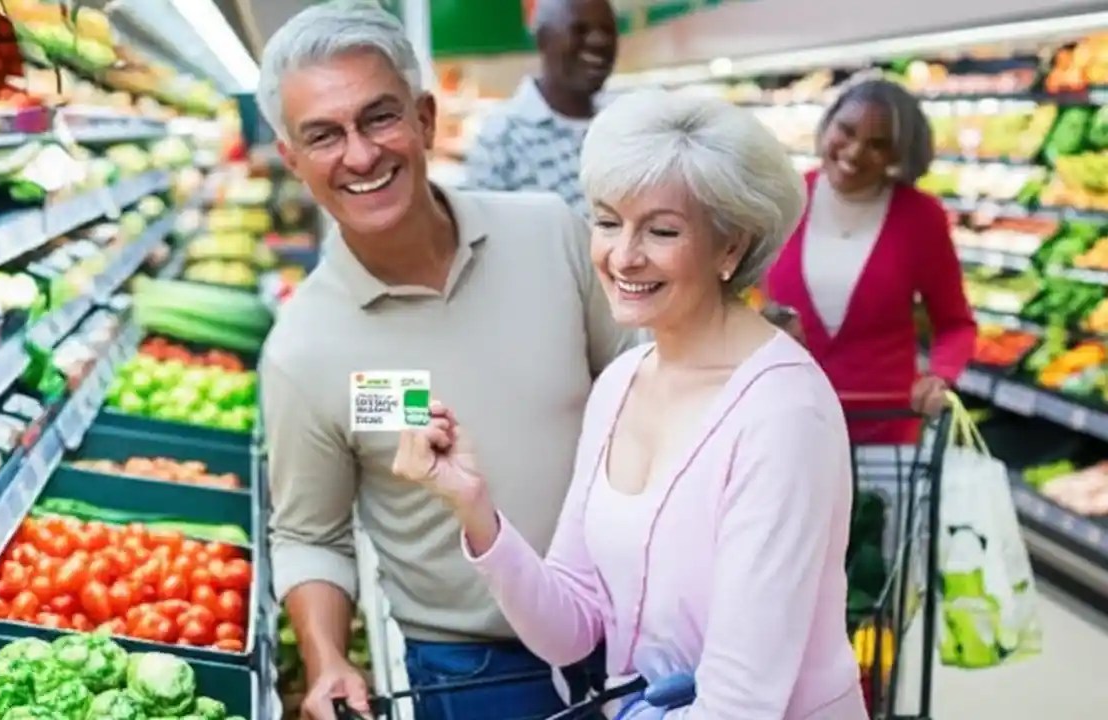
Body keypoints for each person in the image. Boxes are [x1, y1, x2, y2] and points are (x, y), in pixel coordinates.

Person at [393, 90, 867, 719]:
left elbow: (741, 703)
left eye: (662, 231)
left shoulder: (782, 415)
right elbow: (572, 627)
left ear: (731, 246)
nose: (623, 256)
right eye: (608, 220)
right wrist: (474, 508)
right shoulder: (621, 383)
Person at [253, 2, 640, 718]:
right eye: (324, 135)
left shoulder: (551, 234)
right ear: (293, 161)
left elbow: (646, 385)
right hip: (476, 673)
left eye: (379, 117)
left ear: (425, 119)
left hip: (634, 629)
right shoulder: (303, 351)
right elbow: (310, 533)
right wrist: (327, 656)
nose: (362, 155)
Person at [764, 76, 977, 444]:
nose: (854, 152)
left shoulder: (920, 218)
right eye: (845, 130)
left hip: (884, 430)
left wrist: (940, 376)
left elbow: (956, 324)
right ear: (826, 124)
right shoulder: (784, 199)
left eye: (878, 144)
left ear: (900, 154)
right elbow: (737, 295)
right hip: (787, 422)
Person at [462, 0, 618, 216]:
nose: (599, 41)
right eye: (580, 30)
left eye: (608, 30)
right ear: (543, 39)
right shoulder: (503, 138)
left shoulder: (626, 125)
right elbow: (483, 236)